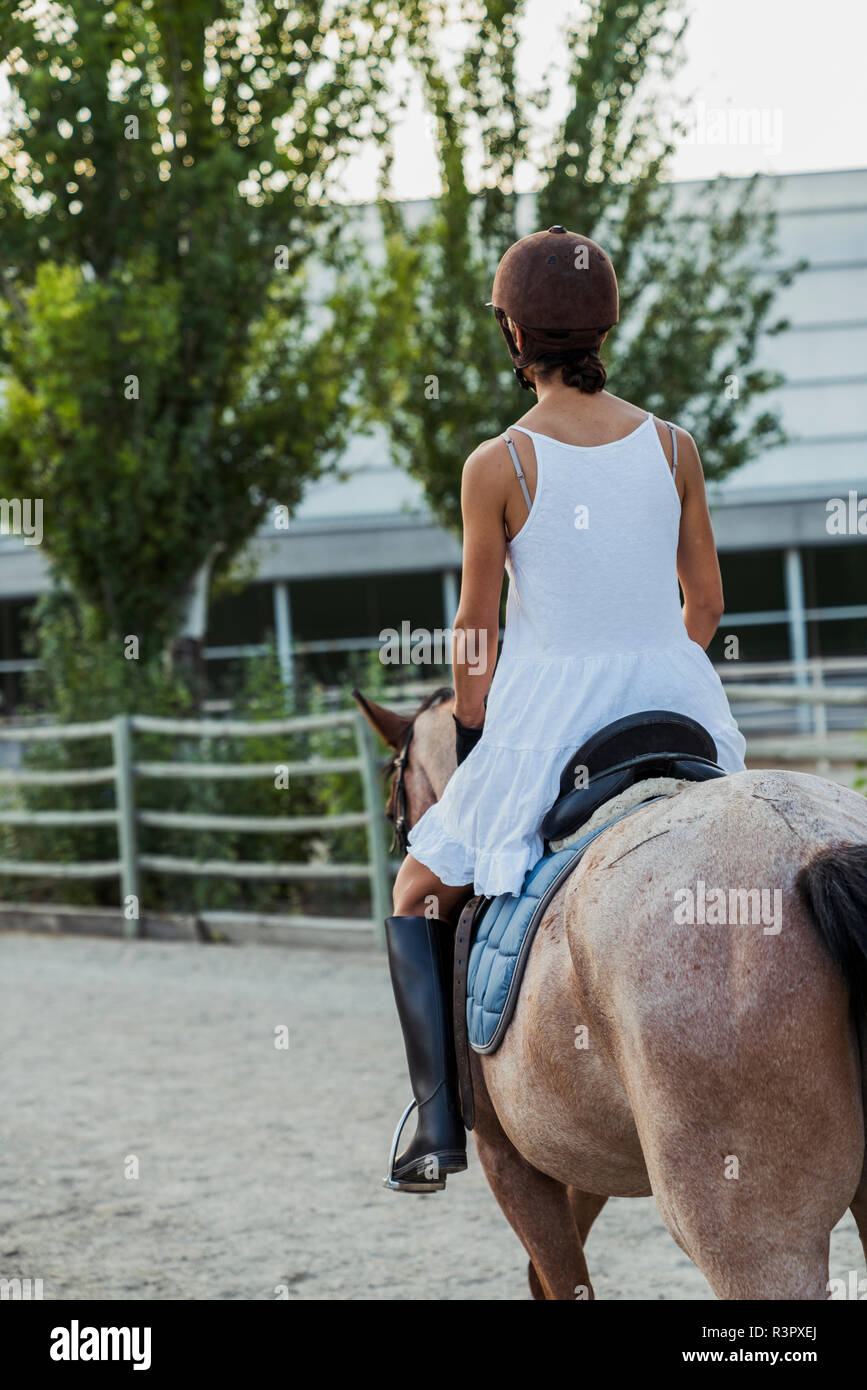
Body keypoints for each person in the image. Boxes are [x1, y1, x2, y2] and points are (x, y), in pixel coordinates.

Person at [382, 225, 747, 1192]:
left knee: (415, 890)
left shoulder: (497, 463)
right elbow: (707, 605)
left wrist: (472, 730)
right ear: (604, 325)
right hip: (680, 704)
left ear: (513, 334)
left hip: (553, 722)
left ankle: (434, 1126)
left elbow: (475, 630)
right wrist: (659, 669)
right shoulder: (672, 446)